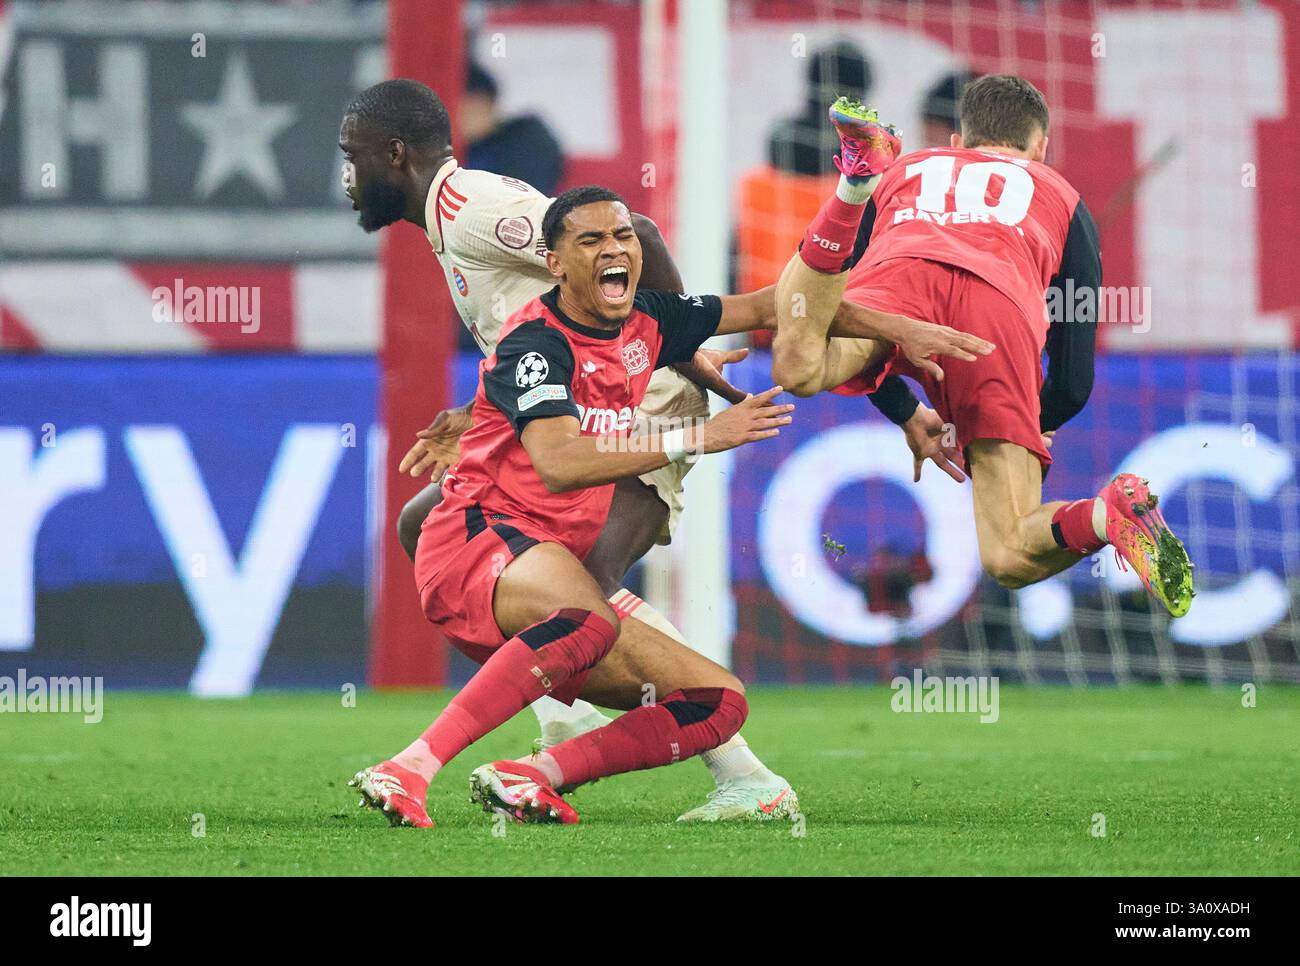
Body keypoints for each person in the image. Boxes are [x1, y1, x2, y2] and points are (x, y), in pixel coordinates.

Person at [340, 78, 987, 820]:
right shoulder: (455, 226)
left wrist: (681, 350)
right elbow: (540, 337)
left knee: (575, 590)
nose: (348, 178)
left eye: (351, 158)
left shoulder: (472, 209)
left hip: (637, 403)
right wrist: (485, 407)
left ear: (394, 154)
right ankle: (577, 729)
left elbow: (635, 234)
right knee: (432, 528)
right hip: (586, 403)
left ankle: (571, 752)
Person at [349, 186, 797, 828]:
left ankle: (535, 771)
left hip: (538, 559)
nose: (614, 250)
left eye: (622, 240)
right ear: (554, 262)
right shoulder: (534, 334)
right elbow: (559, 462)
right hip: (482, 537)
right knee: (590, 615)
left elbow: (767, 303)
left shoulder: (651, 320)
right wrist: (701, 434)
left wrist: (892, 317)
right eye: (592, 241)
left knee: (718, 700)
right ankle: (410, 767)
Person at [770, 80, 1194, 616]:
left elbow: (810, 296)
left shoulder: (907, 170)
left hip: (897, 281)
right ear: (1042, 148)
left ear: (956, 142)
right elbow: (1072, 377)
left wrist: (904, 411)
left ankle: (852, 183)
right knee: (1010, 552)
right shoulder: (1062, 197)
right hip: (996, 315)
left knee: (800, 364)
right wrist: (1035, 420)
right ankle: (1106, 514)